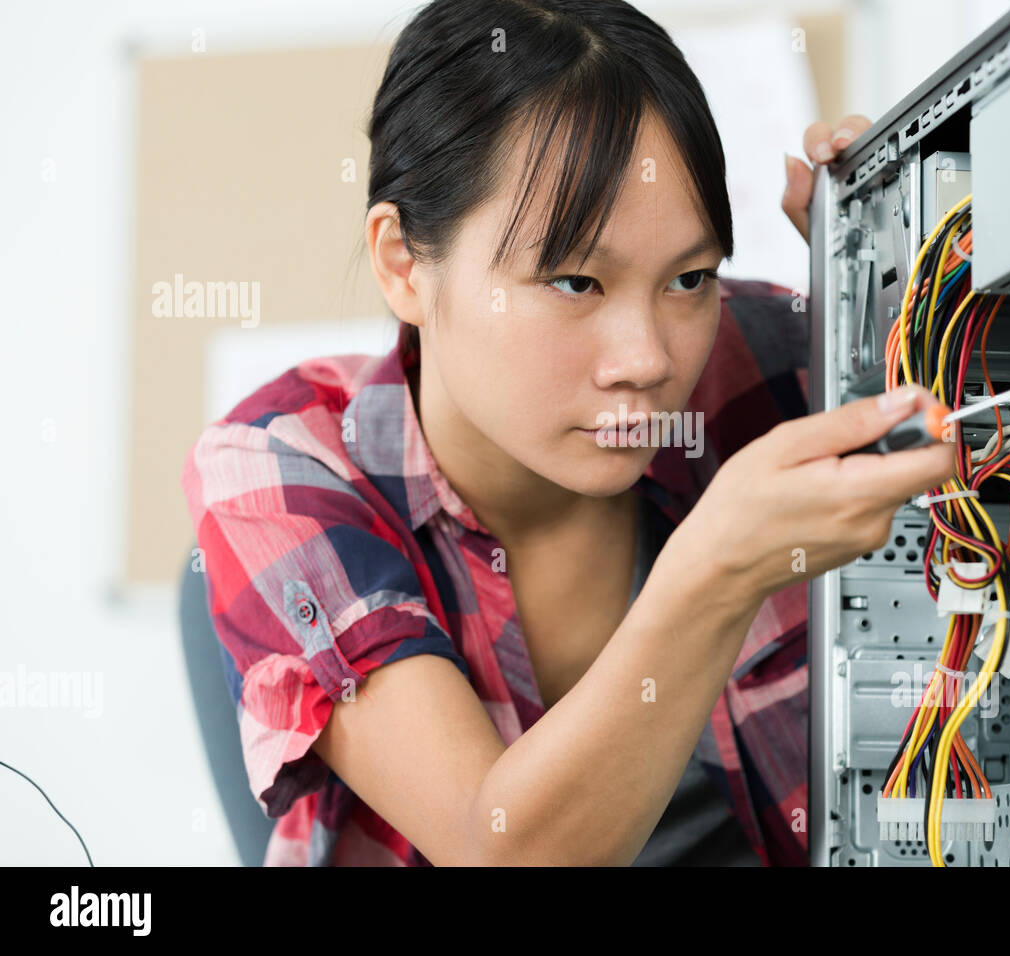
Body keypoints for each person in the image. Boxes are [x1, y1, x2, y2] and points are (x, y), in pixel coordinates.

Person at [181, 0, 955, 866]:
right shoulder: (279, 470)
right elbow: (498, 849)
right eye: (576, 282)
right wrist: (715, 574)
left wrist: (914, 302)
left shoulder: (768, 359)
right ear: (403, 262)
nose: (648, 359)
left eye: (689, 277)